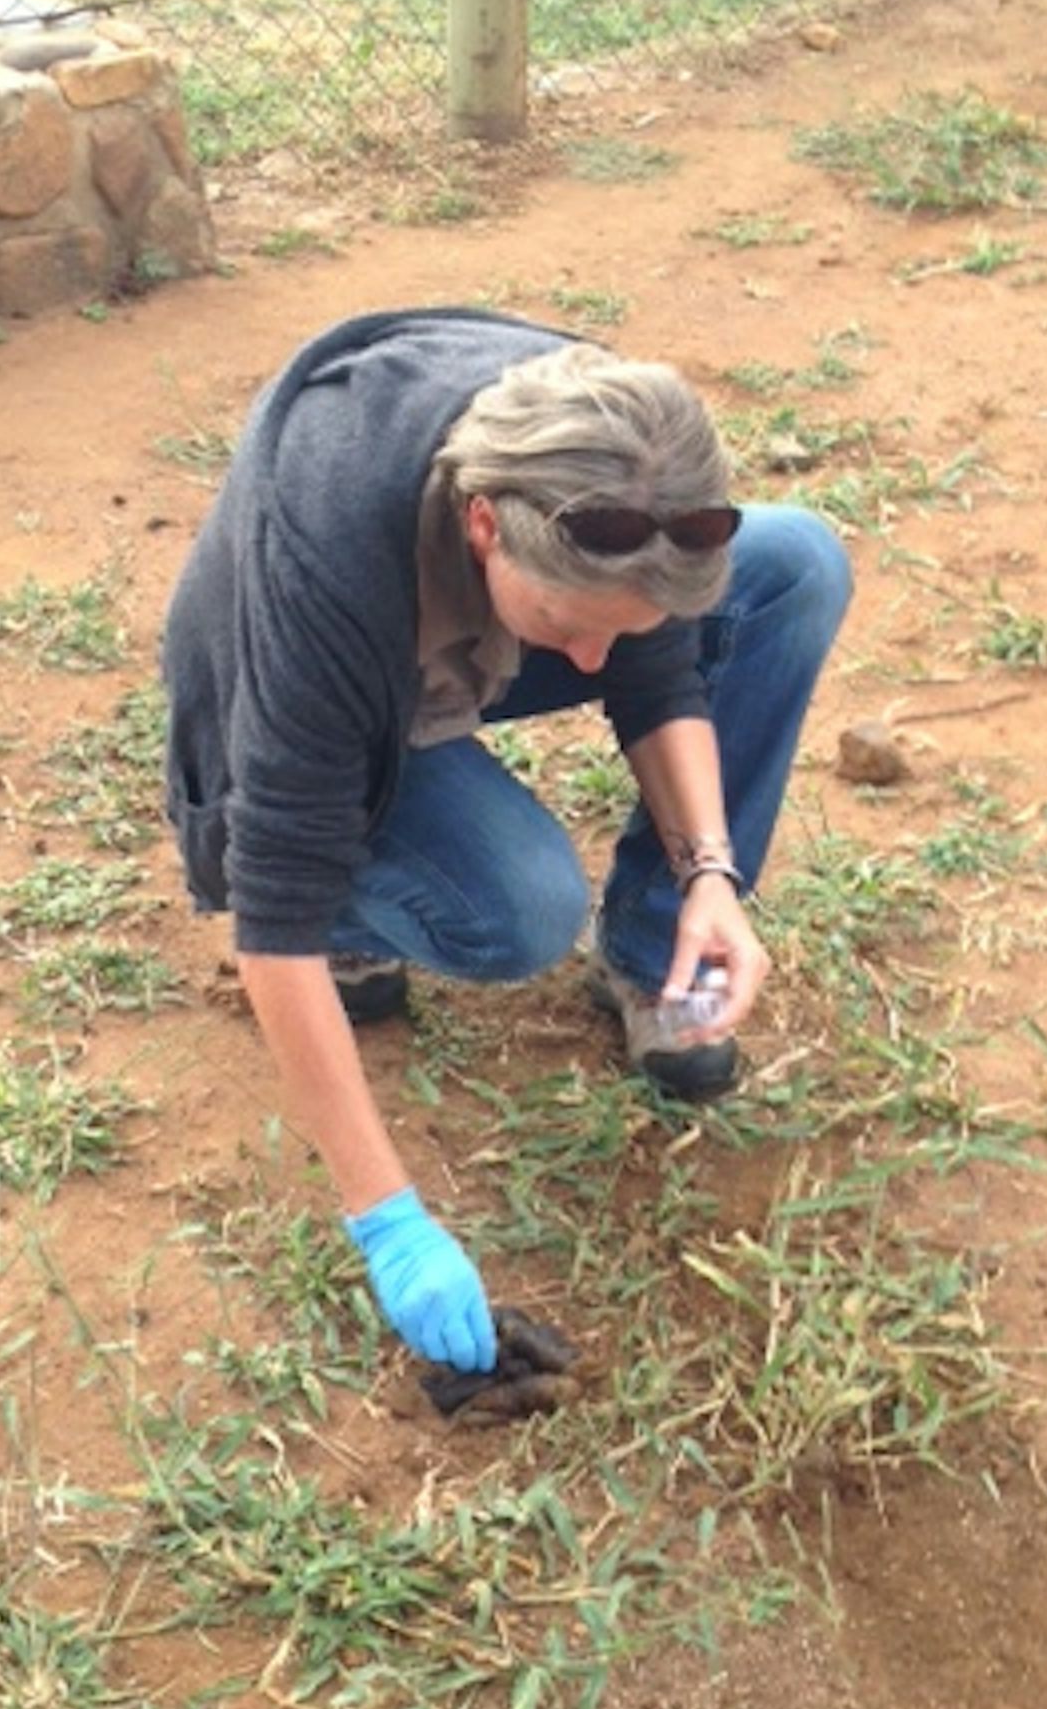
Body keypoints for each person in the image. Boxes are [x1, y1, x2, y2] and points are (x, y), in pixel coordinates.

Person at [161, 308, 851, 1376]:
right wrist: (386, 1219)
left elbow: (649, 666)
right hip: (319, 706)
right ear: (485, 524)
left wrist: (711, 874)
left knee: (796, 562)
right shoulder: (327, 550)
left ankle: (658, 950)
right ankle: (368, 916)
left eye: (614, 629)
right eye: (569, 621)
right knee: (518, 909)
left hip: (464, 627)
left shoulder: (621, 455)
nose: (588, 663)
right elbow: (272, 904)